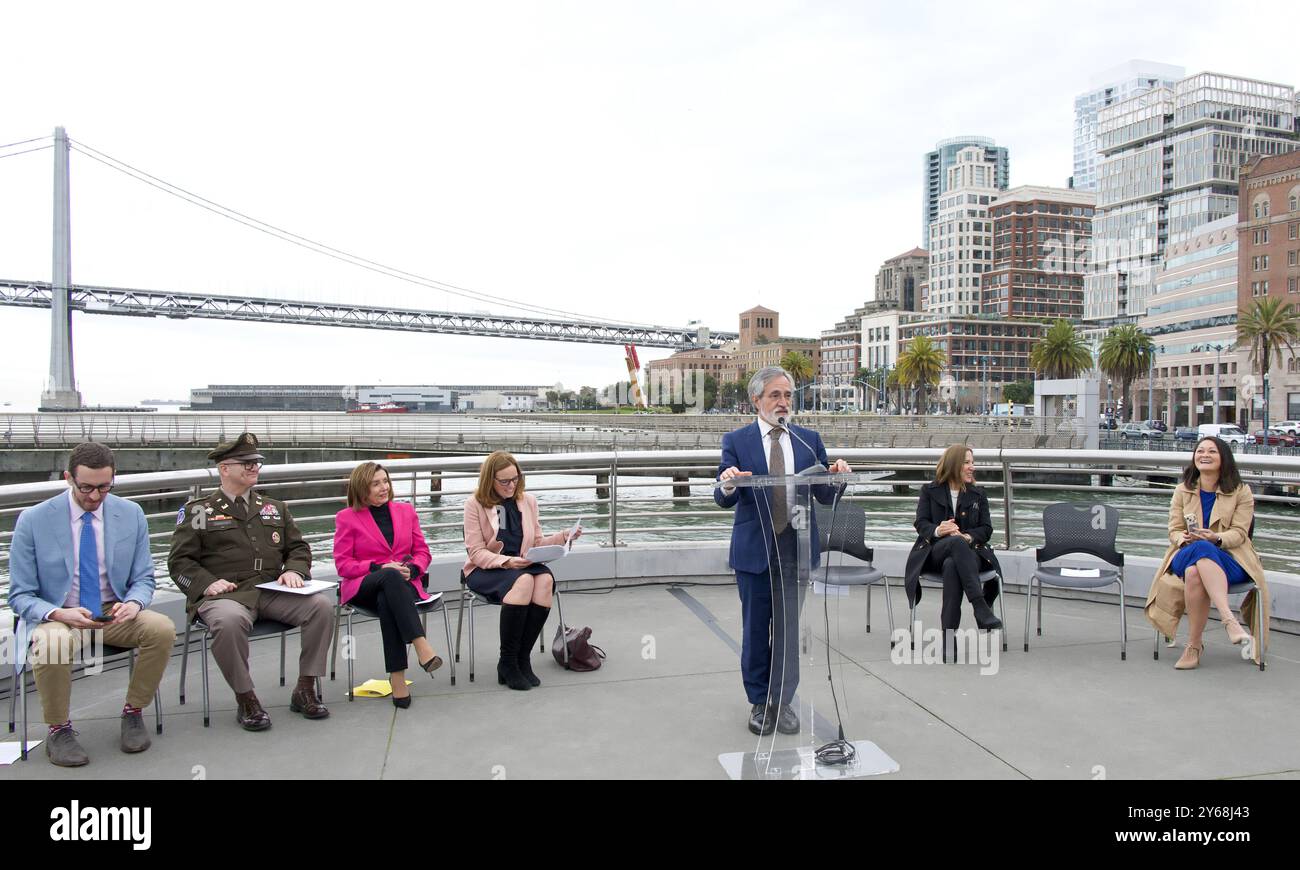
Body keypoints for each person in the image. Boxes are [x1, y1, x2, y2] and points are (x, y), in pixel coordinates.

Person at [7, 442, 176, 767]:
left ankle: (133, 711)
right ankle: (59, 729)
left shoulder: (131, 514)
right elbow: (19, 595)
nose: (95, 496)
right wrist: (58, 612)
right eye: (86, 487)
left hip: (113, 612)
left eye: (104, 487)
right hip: (59, 615)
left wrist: (134, 603)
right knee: (53, 643)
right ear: (68, 478)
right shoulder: (33, 520)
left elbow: (144, 578)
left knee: (162, 629)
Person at [715, 366, 850, 736]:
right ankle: (760, 702)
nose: (783, 402)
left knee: (789, 634)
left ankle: (783, 701)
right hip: (755, 553)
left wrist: (838, 477)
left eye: (788, 395)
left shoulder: (808, 440)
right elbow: (723, 496)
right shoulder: (737, 441)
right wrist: (730, 484)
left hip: (796, 552)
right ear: (756, 400)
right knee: (756, 631)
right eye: (775, 395)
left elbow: (825, 495)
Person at [168, 432, 332, 730]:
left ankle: (305, 687)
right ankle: (246, 698)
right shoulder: (199, 511)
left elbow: (298, 548)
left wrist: (294, 571)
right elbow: (180, 562)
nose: (254, 467)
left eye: (256, 462)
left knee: (320, 607)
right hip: (226, 596)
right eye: (246, 463)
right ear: (224, 468)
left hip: (270, 590)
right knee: (228, 622)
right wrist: (207, 584)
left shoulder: (274, 508)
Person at [1145, 435, 1269, 669]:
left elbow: (1240, 534)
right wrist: (1183, 538)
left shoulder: (1241, 491)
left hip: (1229, 558)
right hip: (1185, 552)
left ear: (1223, 458)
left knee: (1195, 571)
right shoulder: (1183, 490)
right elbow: (1174, 530)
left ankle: (1193, 646)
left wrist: (1216, 538)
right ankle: (1229, 620)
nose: (1204, 455)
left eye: (1212, 451)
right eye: (1200, 451)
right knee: (1199, 548)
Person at [462, 450, 581, 691]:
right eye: (504, 481)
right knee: (525, 581)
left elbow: (536, 542)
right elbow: (475, 552)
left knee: (544, 581)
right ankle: (507, 662)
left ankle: (522, 658)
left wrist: (563, 537)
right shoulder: (474, 504)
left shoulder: (528, 501)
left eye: (515, 479)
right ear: (490, 480)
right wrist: (506, 562)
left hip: (522, 564)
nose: (511, 485)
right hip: (487, 568)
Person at [333, 462, 442, 708]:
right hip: (364, 586)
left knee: (388, 599)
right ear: (362, 488)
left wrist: (413, 569)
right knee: (389, 577)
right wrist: (378, 567)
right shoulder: (346, 518)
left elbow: (422, 551)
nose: (384, 487)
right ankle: (421, 645)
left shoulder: (406, 511)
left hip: (401, 585)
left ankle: (398, 679)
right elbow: (343, 565)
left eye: (385, 481)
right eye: (376, 484)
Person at [904, 444, 1003, 652]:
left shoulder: (978, 494)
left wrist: (967, 537)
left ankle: (949, 640)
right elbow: (921, 523)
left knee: (952, 565)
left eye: (973, 462)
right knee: (954, 546)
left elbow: (986, 529)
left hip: (970, 554)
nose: (972, 467)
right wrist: (939, 530)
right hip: (935, 552)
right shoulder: (929, 491)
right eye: (967, 462)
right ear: (953, 464)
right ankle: (979, 606)